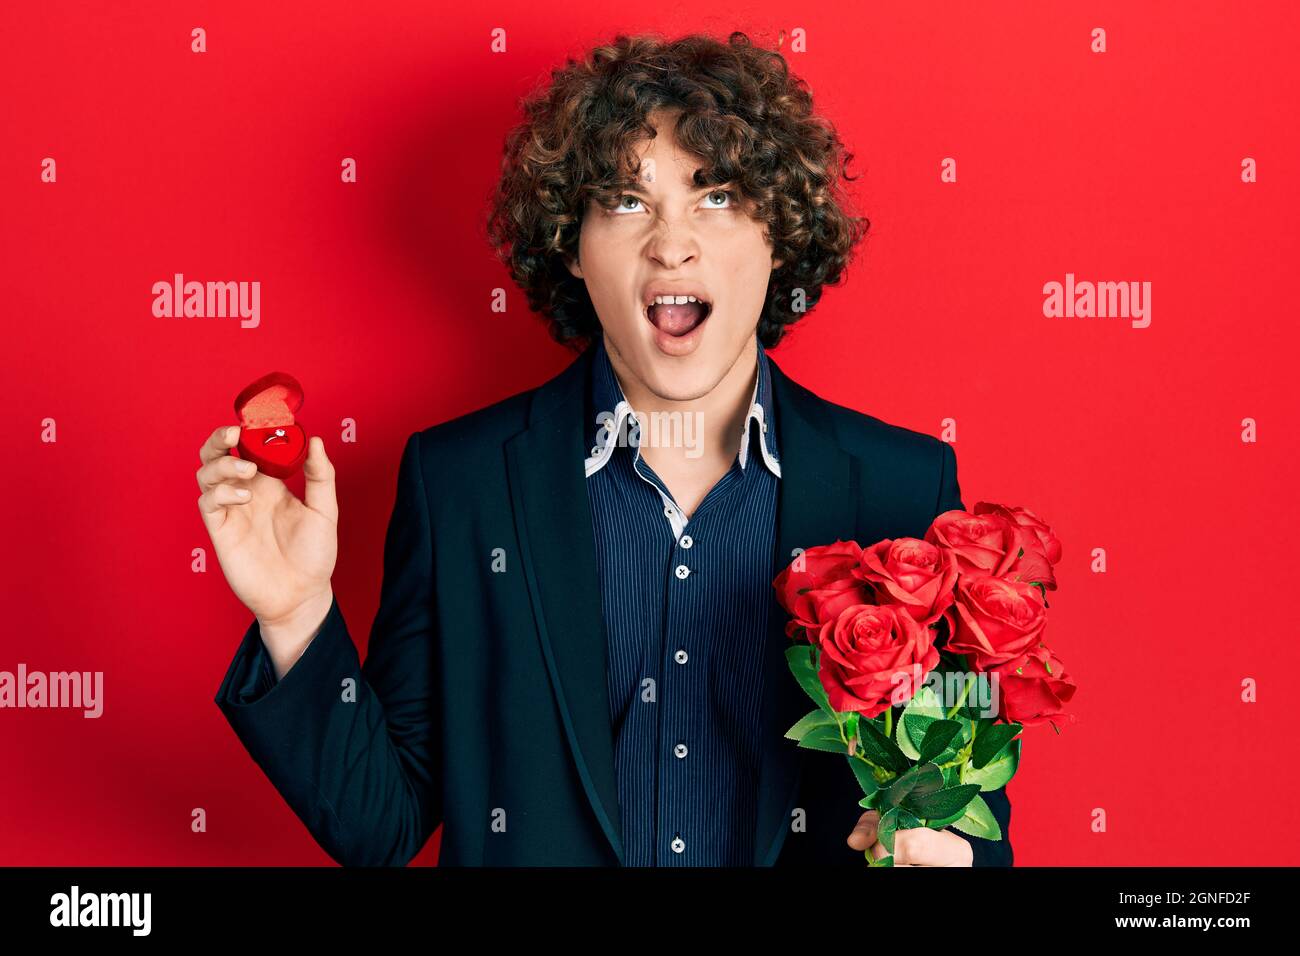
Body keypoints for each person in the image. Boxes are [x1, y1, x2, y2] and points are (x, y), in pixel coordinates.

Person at [196, 30, 1012, 867]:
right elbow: (382, 824)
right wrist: (293, 617)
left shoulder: (904, 489)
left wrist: (947, 851)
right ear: (573, 248)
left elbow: (970, 816)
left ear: (779, 238)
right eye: (626, 201)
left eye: (718, 195)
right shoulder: (461, 484)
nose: (671, 241)